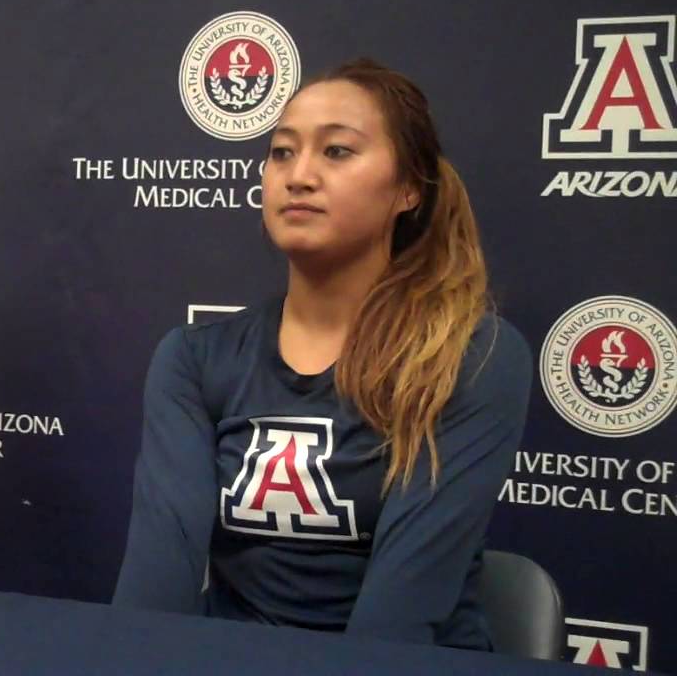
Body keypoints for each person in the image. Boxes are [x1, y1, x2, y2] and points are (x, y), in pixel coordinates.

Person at [113, 58, 532, 648]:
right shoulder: (194, 359)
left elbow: (400, 620)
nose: (299, 175)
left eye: (337, 152)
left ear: (408, 189)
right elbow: (155, 588)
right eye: (282, 152)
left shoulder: (471, 357)